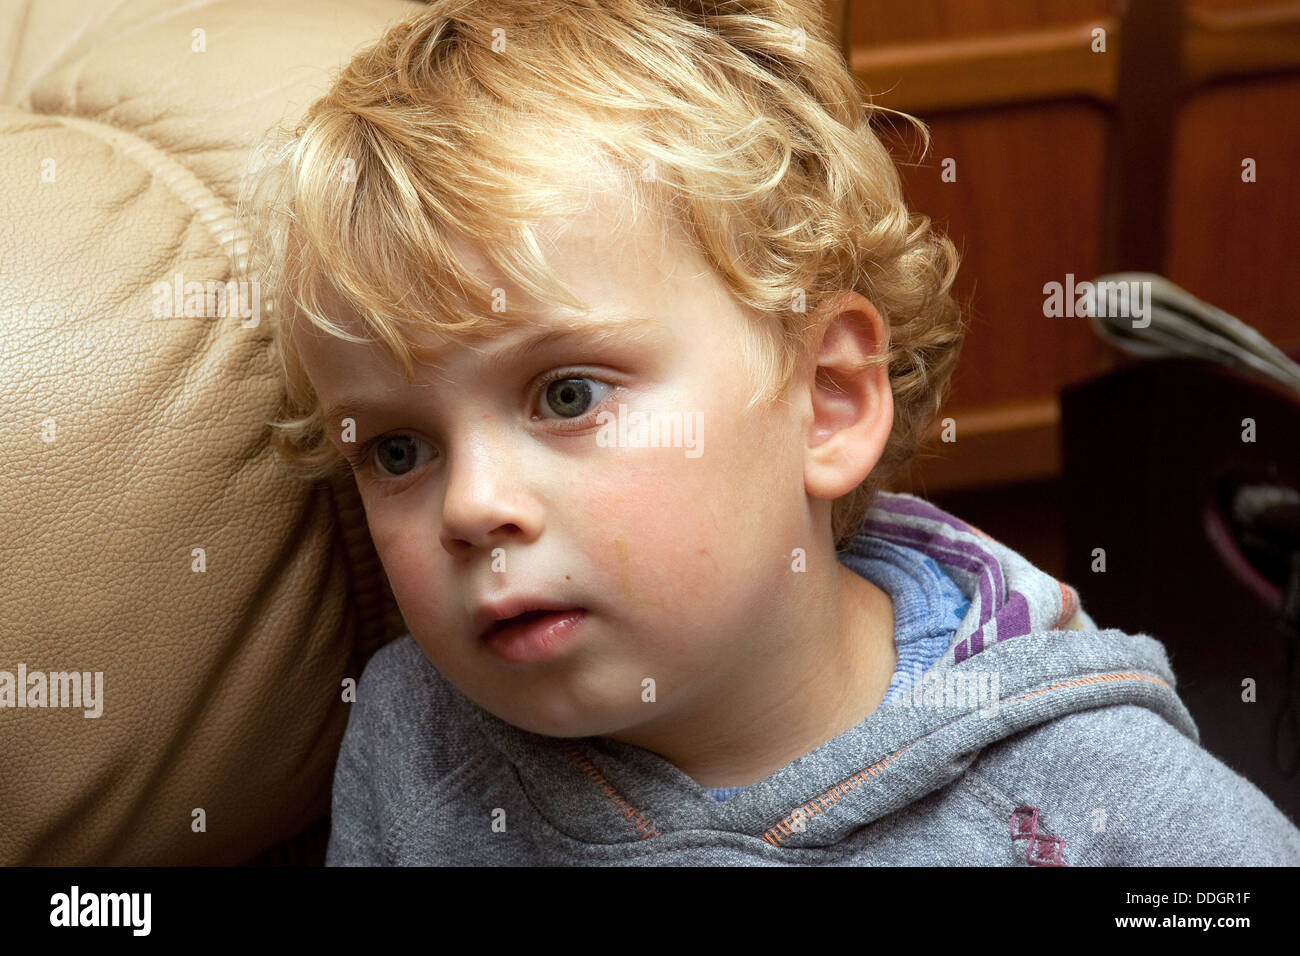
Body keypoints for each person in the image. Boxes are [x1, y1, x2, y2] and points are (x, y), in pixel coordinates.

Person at [238, 0, 1300, 864]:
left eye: (566, 395)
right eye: (397, 450)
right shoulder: (409, 733)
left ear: (828, 399)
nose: (469, 507)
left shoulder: (1102, 800)